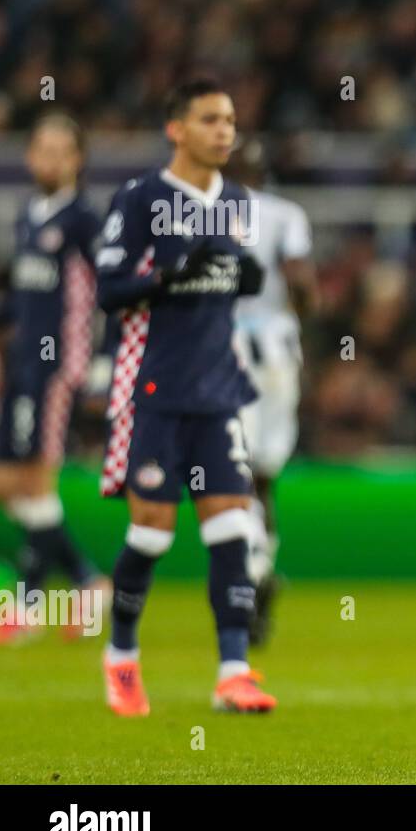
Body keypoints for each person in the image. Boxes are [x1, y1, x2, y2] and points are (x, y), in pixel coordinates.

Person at [96, 78, 273, 716]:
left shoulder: (237, 199)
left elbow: (230, 283)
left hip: (217, 388)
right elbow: (109, 290)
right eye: (210, 120)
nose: (225, 131)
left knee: (232, 526)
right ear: (177, 128)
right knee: (152, 532)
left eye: (230, 120)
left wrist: (243, 275)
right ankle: (120, 657)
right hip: (152, 388)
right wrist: (165, 276)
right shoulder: (141, 197)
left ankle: (233, 671)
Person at [0, 115, 108, 642]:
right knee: (10, 484)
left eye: (62, 150)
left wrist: (104, 360)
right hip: (23, 365)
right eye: (42, 148)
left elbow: (113, 289)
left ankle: (26, 605)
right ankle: (87, 580)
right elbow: (23, 296)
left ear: (78, 160)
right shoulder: (26, 217)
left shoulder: (84, 220)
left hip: (59, 366)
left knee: (35, 480)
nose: (50, 158)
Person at [229, 139, 319, 647]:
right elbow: (302, 284)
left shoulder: (208, 213)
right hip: (278, 351)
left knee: (234, 470)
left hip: (225, 351)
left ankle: (248, 568)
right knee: (266, 474)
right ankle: (262, 565)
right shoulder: (286, 215)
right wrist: (298, 316)